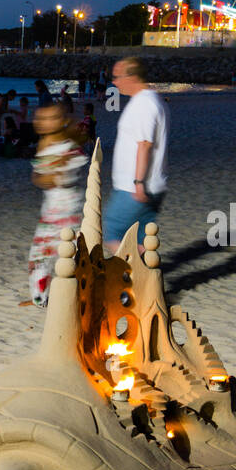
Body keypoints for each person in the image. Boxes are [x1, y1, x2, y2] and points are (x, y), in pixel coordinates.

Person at [22, 103, 87, 307]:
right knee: (47, 255)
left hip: (64, 211)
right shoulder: (45, 144)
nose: (41, 123)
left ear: (61, 121)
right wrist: (46, 176)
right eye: (39, 118)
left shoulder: (66, 146)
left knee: (47, 254)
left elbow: (55, 179)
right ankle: (41, 296)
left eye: (49, 118)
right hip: (52, 210)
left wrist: (51, 176)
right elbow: (40, 178)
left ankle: (44, 298)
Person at [103, 57, 168, 254]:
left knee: (112, 233)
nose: (113, 82)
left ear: (131, 76)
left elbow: (145, 145)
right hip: (148, 185)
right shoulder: (151, 99)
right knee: (140, 241)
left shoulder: (143, 104)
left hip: (135, 187)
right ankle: (147, 280)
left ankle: (134, 279)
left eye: (116, 77)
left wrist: (138, 184)